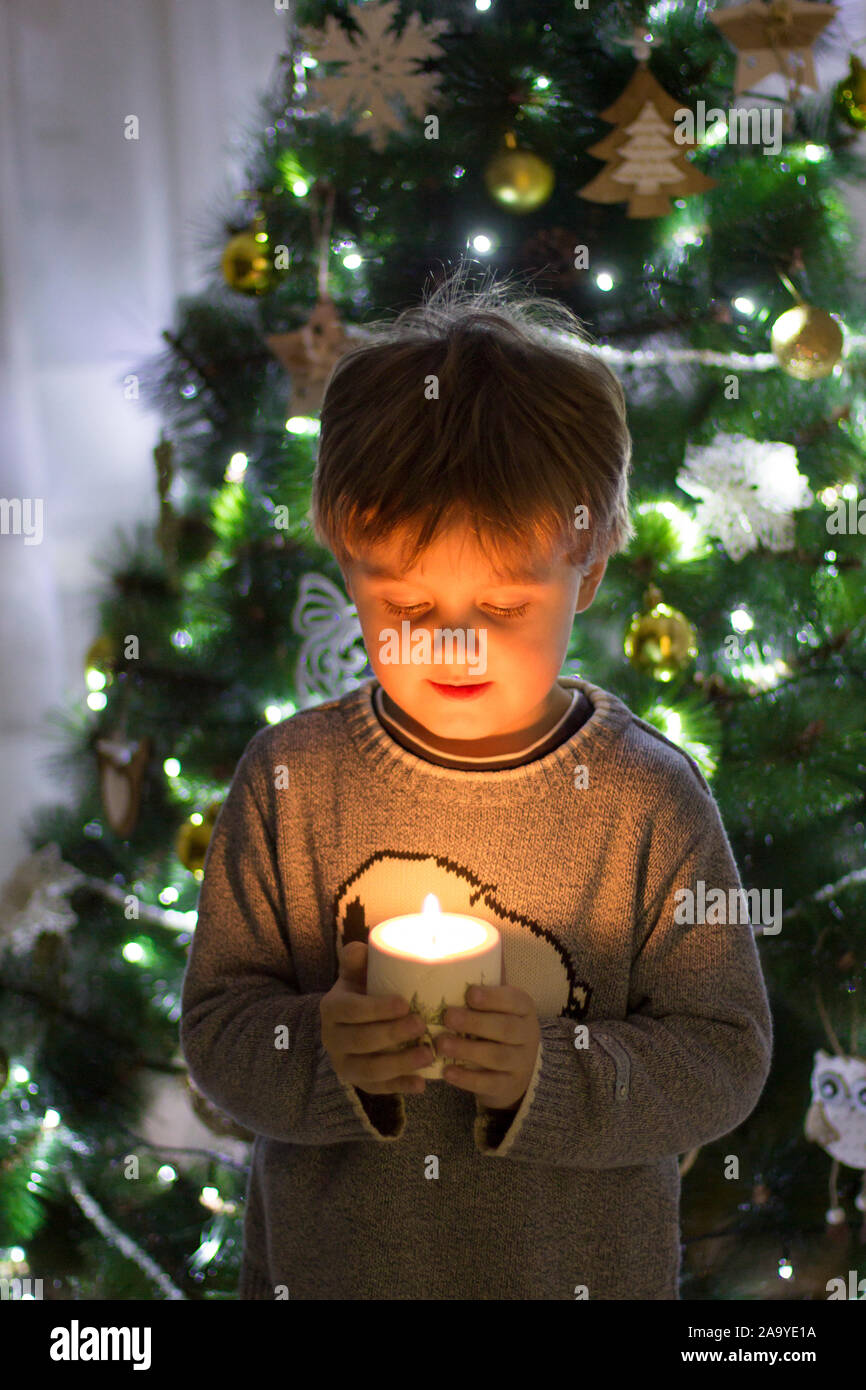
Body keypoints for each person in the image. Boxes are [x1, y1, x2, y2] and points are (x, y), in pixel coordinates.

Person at [180, 265, 773, 1300]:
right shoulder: (290, 782)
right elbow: (220, 1030)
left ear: (587, 571)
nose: (451, 641)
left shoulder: (645, 799)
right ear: (346, 560)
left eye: (500, 607)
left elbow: (721, 1054)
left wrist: (553, 1075)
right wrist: (320, 1048)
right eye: (407, 604)